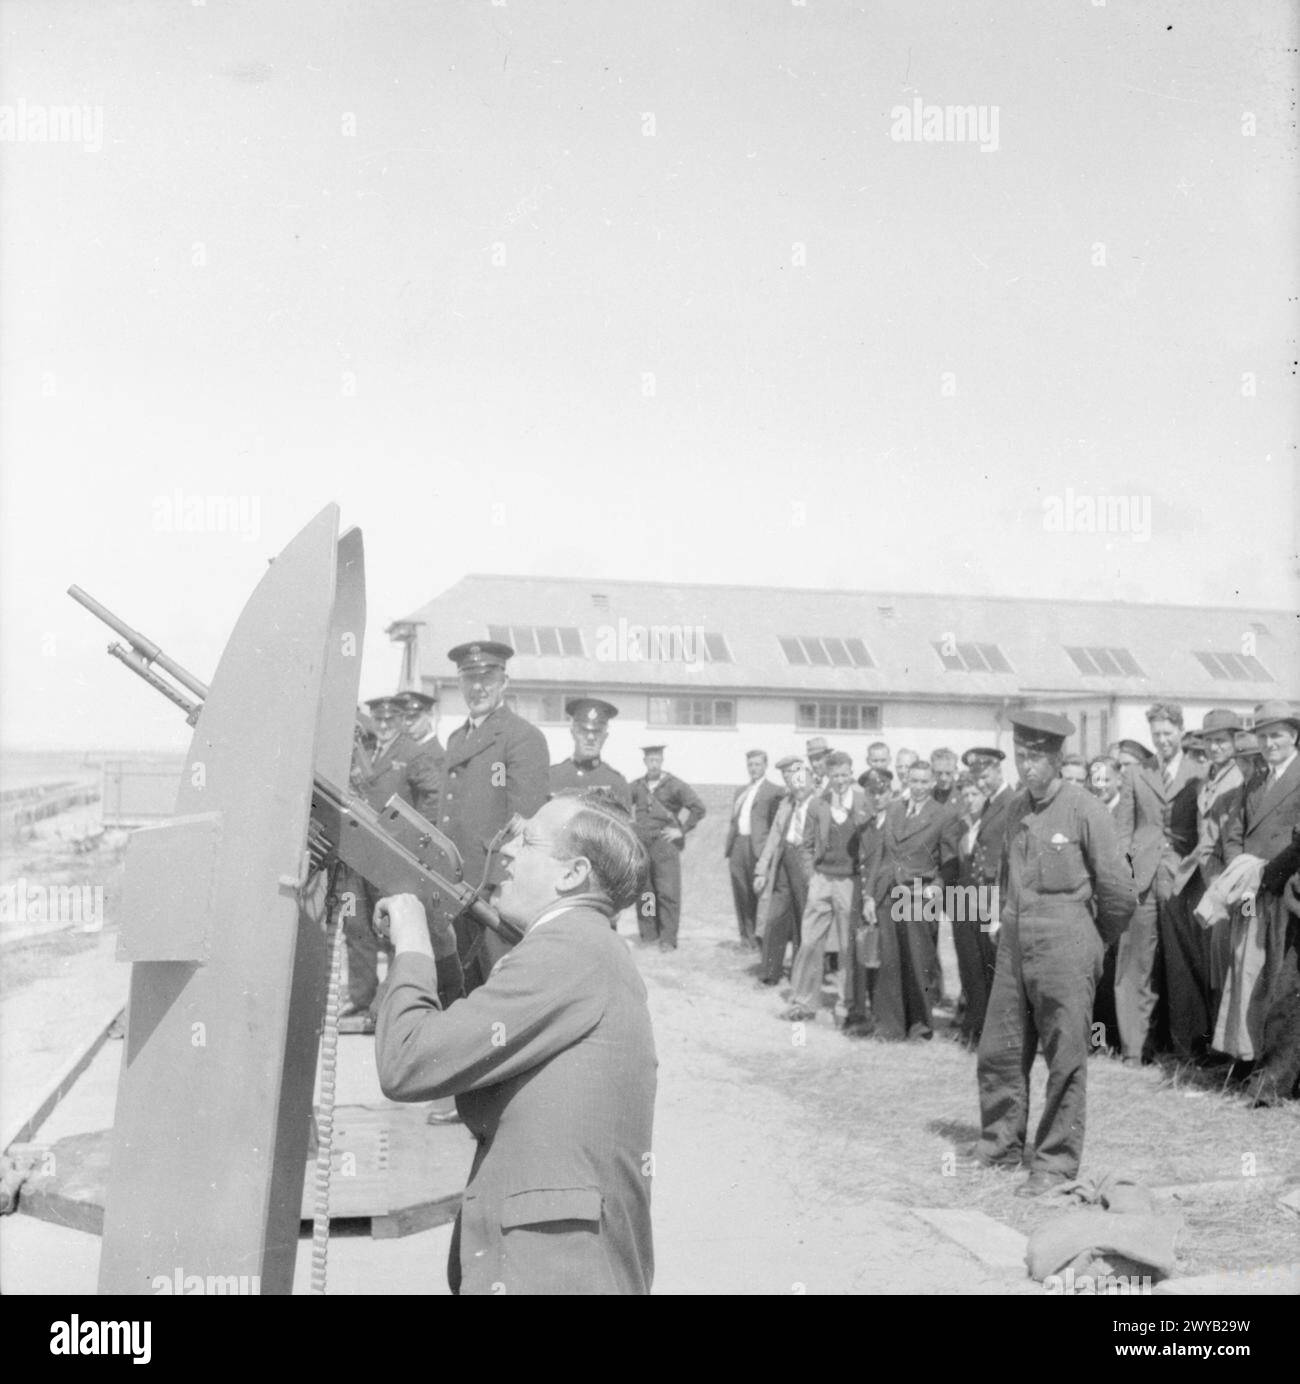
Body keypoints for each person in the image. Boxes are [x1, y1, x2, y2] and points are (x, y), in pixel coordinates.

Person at [373, 790, 657, 1295]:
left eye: (526, 843)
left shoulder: (569, 951)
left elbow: (409, 1061)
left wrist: (412, 944)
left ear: (571, 875)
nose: (504, 852)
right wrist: (440, 956)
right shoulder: (579, 948)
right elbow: (469, 1053)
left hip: (550, 1270)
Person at [975, 710, 1136, 1197]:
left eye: (1037, 758)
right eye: (1021, 756)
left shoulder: (1086, 809)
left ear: (1058, 758)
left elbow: (1119, 894)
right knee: (999, 1049)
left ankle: (1054, 1163)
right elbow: (1005, 871)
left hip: (1066, 943)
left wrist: (1090, 941)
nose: (1027, 767)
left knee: (1065, 1056)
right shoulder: (1013, 808)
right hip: (1015, 944)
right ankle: (1000, 1143)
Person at [439, 641, 550, 990]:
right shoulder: (457, 738)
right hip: (453, 884)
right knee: (459, 984)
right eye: (469, 679)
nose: (478, 688)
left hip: (491, 890)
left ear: (505, 682)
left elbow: (526, 824)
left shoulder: (521, 737)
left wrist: (498, 890)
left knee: (498, 986)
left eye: (487, 678)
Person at [339, 694, 446, 1031]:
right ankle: (360, 1000)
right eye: (379, 720)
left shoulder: (412, 753)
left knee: (392, 930)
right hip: (359, 852)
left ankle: (385, 1005)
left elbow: (433, 794)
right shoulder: (366, 750)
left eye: (391, 720)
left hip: (391, 854)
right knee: (356, 927)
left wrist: (418, 839)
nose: (384, 726)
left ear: (401, 722)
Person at [1220, 700, 1300, 1101]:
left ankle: (1276, 1073)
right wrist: (1241, 872)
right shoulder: (1255, 781)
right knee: (1246, 970)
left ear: (1294, 736)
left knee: (1279, 982)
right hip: (1250, 895)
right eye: (1264, 736)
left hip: (1285, 893)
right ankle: (1245, 1058)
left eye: (1277, 735)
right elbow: (1234, 833)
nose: (1270, 743)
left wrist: (1266, 875)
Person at [1114, 702, 1203, 1064]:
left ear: (1180, 732)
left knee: (1183, 965)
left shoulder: (1200, 771)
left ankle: (1186, 1048)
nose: (1163, 740)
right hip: (1142, 878)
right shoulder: (1136, 773)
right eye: (1156, 735)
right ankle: (1135, 1049)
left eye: (1168, 733)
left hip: (1182, 877)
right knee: (1136, 962)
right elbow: (1123, 830)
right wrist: (1126, 874)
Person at [1167, 710, 1246, 1053]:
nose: (1215, 747)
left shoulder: (1239, 777)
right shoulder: (1211, 776)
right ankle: (1210, 1045)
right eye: (1210, 741)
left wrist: (1220, 884)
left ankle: (1225, 1049)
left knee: (1225, 963)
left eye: (1221, 741)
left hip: (1224, 880)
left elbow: (1229, 838)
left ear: (1234, 742)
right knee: (1208, 963)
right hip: (1202, 877)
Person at [867, 758, 960, 1040]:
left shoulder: (943, 815)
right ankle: (890, 1027)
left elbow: (950, 861)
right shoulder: (894, 809)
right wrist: (870, 896)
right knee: (890, 962)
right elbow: (879, 857)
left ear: (932, 783)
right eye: (914, 781)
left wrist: (937, 887)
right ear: (906, 780)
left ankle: (920, 1026)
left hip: (918, 896)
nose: (918, 787)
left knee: (919, 963)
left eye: (924, 781)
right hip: (888, 893)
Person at [782, 752, 867, 1022]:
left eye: (844, 775)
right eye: (835, 776)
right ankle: (804, 1002)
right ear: (827, 777)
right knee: (809, 941)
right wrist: (811, 877)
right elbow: (805, 845)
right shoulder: (818, 804)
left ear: (851, 773)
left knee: (847, 945)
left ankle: (847, 1004)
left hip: (850, 882)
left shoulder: (864, 803)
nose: (840, 781)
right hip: (822, 879)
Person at [953, 749, 1010, 1048]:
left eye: (986, 776)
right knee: (971, 965)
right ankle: (974, 1026)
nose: (982, 783)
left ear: (999, 771)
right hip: (970, 894)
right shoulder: (984, 805)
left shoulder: (1011, 803)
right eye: (977, 778)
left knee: (990, 967)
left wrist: (1000, 907)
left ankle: (990, 1033)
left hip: (991, 895)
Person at [630, 746, 706, 951]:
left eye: (657, 760)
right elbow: (620, 802)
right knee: (645, 891)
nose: (653, 764)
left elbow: (699, 808)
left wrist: (681, 830)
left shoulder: (674, 785)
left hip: (665, 844)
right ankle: (649, 934)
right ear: (644, 761)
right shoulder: (638, 785)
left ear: (662, 761)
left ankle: (668, 938)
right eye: (649, 760)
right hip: (642, 845)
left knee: (667, 891)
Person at [843, 768, 895, 1037]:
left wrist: (871, 898)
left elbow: (886, 865)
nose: (877, 797)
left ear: (891, 792)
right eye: (871, 793)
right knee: (860, 954)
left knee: (882, 957)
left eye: (881, 792)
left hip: (885, 899)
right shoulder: (865, 826)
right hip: (864, 896)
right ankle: (859, 1013)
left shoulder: (896, 823)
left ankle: (880, 1014)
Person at [754, 757, 814, 986]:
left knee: (803, 917)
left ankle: (800, 974)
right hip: (784, 863)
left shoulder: (817, 800)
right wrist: (762, 870)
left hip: (805, 864)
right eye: (786, 774)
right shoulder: (785, 802)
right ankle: (770, 972)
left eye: (794, 772)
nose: (790, 777)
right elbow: (774, 837)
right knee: (775, 915)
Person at [1086, 754, 1129, 1054]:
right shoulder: (1087, 812)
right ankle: (1096, 1039)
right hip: (1091, 905)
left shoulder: (1128, 814)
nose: (1100, 786)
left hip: (1119, 906)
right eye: (1095, 780)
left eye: (1106, 779)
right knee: (1095, 977)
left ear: (1119, 780)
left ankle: (1112, 1039)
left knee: (1117, 975)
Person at [724, 750, 783, 947]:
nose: (754, 768)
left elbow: (776, 824)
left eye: (757, 764)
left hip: (759, 846)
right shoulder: (741, 791)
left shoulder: (774, 791)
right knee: (741, 892)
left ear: (765, 766)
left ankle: (761, 939)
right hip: (739, 844)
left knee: (759, 892)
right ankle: (746, 938)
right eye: (750, 765)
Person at [549, 697, 633, 812]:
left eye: (597, 732)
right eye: (584, 731)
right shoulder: (553, 777)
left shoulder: (616, 783)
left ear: (605, 737)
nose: (590, 737)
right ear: (573, 733)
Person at [395, 690, 446, 819]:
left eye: (413, 717)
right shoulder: (405, 751)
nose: (407, 723)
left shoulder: (437, 756)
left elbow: (434, 804)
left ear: (429, 715)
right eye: (403, 717)